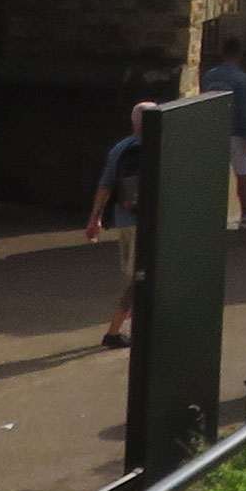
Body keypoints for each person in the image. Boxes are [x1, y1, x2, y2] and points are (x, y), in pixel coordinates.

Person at [88, 111, 151, 350]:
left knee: (134, 274)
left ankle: (134, 324)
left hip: (125, 220)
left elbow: (105, 186)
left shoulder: (120, 148)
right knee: (135, 279)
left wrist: (95, 218)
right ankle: (113, 333)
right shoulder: (160, 146)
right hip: (146, 222)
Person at [199, 42, 246, 231]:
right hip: (236, 133)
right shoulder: (241, 79)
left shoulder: (209, 76)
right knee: (242, 175)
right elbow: (244, 111)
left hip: (214, 131)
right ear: (239, 54)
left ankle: (210, 213)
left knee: (214, 175)